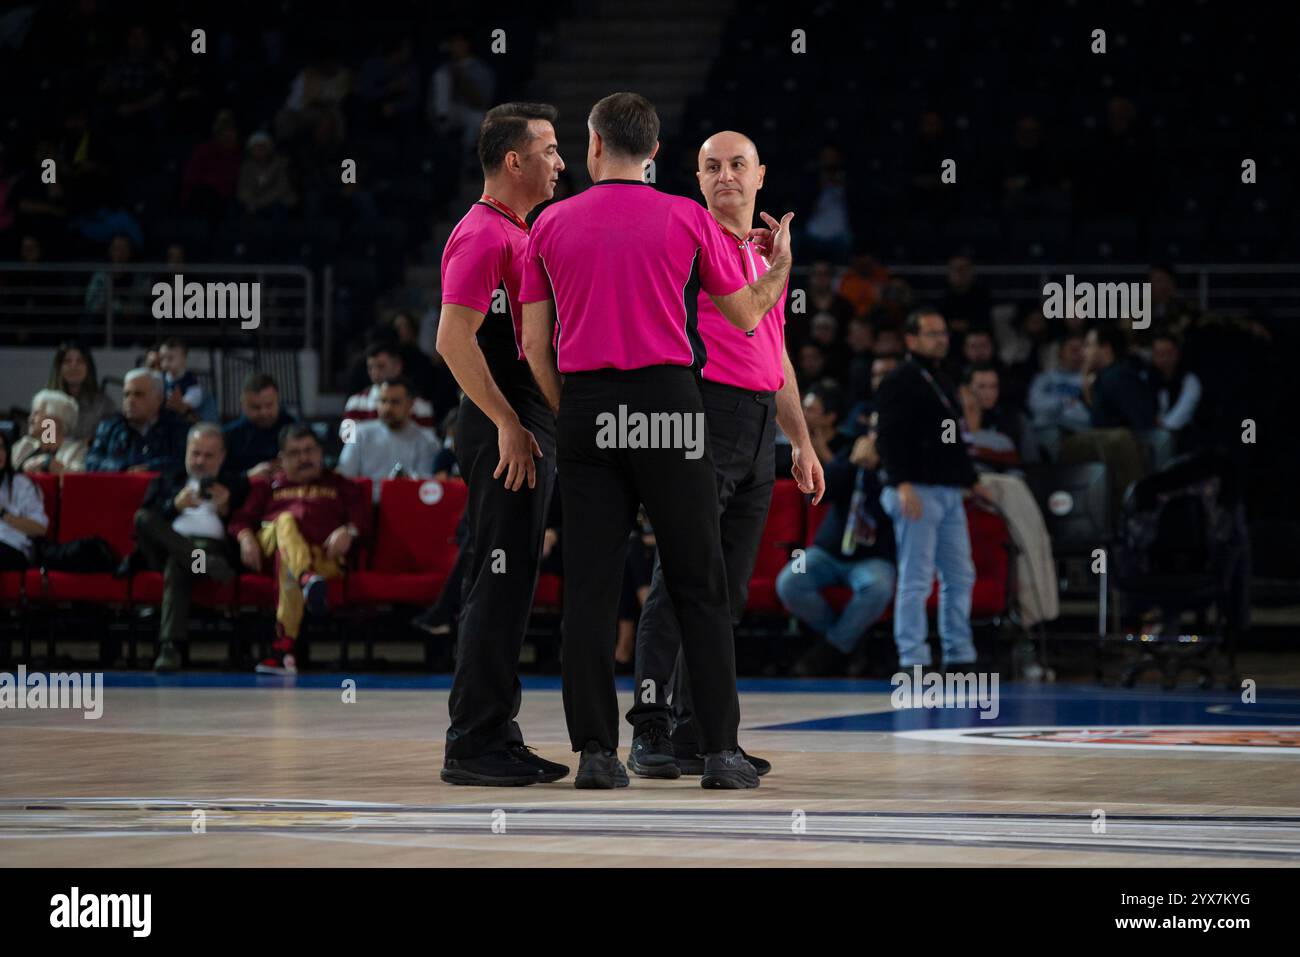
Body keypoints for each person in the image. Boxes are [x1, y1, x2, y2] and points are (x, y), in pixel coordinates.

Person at [520, 92, 793, 790]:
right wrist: (779, 267)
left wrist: (573, 411)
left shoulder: (547, 223)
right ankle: (723, 753)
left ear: (592, 145)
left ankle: (598, 754)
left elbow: (532, 346)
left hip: (585, 406)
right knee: (701, 581)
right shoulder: (686, 216)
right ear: (656, 153)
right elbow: (741, 317)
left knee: (589, 590)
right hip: (670, 408)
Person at [626, 130, 823, 780]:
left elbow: (775, 351)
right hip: (704, 413)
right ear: (699, 178)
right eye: (712, 166)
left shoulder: (756, 254)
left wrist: (802, 440)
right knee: (680, 578)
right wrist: (781, 269)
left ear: (761, 174)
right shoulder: (691, 241)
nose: (725, 176)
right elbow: (742, 320)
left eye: (738, 165)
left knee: (725, 592)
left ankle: (695, 729)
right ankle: (649, 725)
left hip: (759, 422)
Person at [432, 102, 570, 788]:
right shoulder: (481, 232)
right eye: (549, 150)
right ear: (513, 160)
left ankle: (495, 728)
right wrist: (508, 424)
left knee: (513, 582)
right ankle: (472, 739)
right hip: (503, 425)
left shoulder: (520, 230)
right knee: (499, 577)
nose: (560, 162)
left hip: (522, 419)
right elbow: (452, 339)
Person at [874, 310, 985, 671]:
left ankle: (959, 654)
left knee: (960, 574)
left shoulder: (943, 377)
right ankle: (913, 657)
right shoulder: (899, 379)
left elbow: (953, 439)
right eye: (932, 333)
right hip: (916, 489)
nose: (942, 339)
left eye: (943, 333)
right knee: (916, 576)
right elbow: (888, 436)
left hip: (949, 491)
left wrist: (971, 480)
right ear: (911, 340)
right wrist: (901, 483)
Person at [229, 424, 371, 675]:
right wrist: (245, 538)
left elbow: (364, 520)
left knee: (287, 562)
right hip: (271, 542)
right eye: (295, 453)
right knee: (284, 521)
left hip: (322, 557)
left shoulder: (340, 485)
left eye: (310, 451)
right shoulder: (268, 486)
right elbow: (240, 519)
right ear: (281, 459)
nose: (304, 458)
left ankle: (283, 650)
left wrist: (348, 531)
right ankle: (306, 579)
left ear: (320, 453)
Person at [122, 424, 249, 672]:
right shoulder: (168, 478)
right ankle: (197, 560)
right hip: (167, 548)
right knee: (143, 518)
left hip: (207, 549)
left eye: (208, 455)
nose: (200, 461)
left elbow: (248, 523)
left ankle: (170, 647)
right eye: (195, 453)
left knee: (178, 564)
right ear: (186, 452)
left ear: (222, 456)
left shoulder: (236, 483)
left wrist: (226, 508)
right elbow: (147, 521)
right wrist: (174, 505)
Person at [777, 423, 895, 676]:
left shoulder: (899, 461)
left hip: (874, 555)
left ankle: (827, 652)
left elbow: (892, 507)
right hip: (829, 551)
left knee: (878, 588)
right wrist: (853, 464)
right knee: (789, 582)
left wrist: (875, 471)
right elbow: (817, 493)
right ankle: (847, 641)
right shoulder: (851, 450)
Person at [338, 377, 440, 502]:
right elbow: (345, 477)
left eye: (395, 402)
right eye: (383, 401)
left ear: (410, 404)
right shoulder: (359, 434)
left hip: (407, 508)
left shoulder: (426, 441)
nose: (387, 408)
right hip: (363, 508)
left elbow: (426, 486)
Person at [85, 369, 188, 473]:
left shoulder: (177, 427)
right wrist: (123, 469)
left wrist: (150, 469)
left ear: (159, 398)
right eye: (126, 394)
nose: (130, 401)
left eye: (138, 394)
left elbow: (183, 461)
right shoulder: (109, 427)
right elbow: (91, 461)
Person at [342, 342, 437, 430]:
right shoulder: (354, 403)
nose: (375, 372)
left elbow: (427, 444)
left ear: (397, 366)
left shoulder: (421, 406)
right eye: (370, 367)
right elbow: (347, 439)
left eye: (381, 366)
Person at [1082, 325, 1157, 430]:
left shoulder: (1119, 376)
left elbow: (1138, 421)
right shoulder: (1105, 376)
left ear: (1105, 348)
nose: (1084, 352)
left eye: (1089, 345)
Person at [222, 373, 295, 478]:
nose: (263, 413)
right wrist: (248, 475)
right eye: (256, 407)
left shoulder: (294, 429)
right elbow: (221, 476)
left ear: (278, 400)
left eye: (269, 405)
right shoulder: (229, 436)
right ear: (243, 404)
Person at [46, 342, 115, 443]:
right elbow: (47, 441)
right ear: (59, 367)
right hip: (55, 456)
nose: (73, 366)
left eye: (80, 361)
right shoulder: (46, 402)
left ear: (88, 367)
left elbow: (106, 442)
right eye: (67, 361)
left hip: (90, 456)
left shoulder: (104, 404)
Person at [0, 432, 50, 572]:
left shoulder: (21, 484)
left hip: (14, 548)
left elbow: (40, 529)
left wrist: (3, 514)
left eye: (2, 448)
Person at [12, 390, 87, 474]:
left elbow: (78, 480)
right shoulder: (23, 446)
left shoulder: (76, 450)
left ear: (55, 421)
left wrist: (48, 463)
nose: (30, 419)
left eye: (36, 414)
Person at [159, 337, 211, 421]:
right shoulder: (160, 378)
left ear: (184, 359)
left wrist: (182, 404)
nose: (165, 363)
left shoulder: (190, 382)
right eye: (162, 359)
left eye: (170, 358)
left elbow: (191, 401)